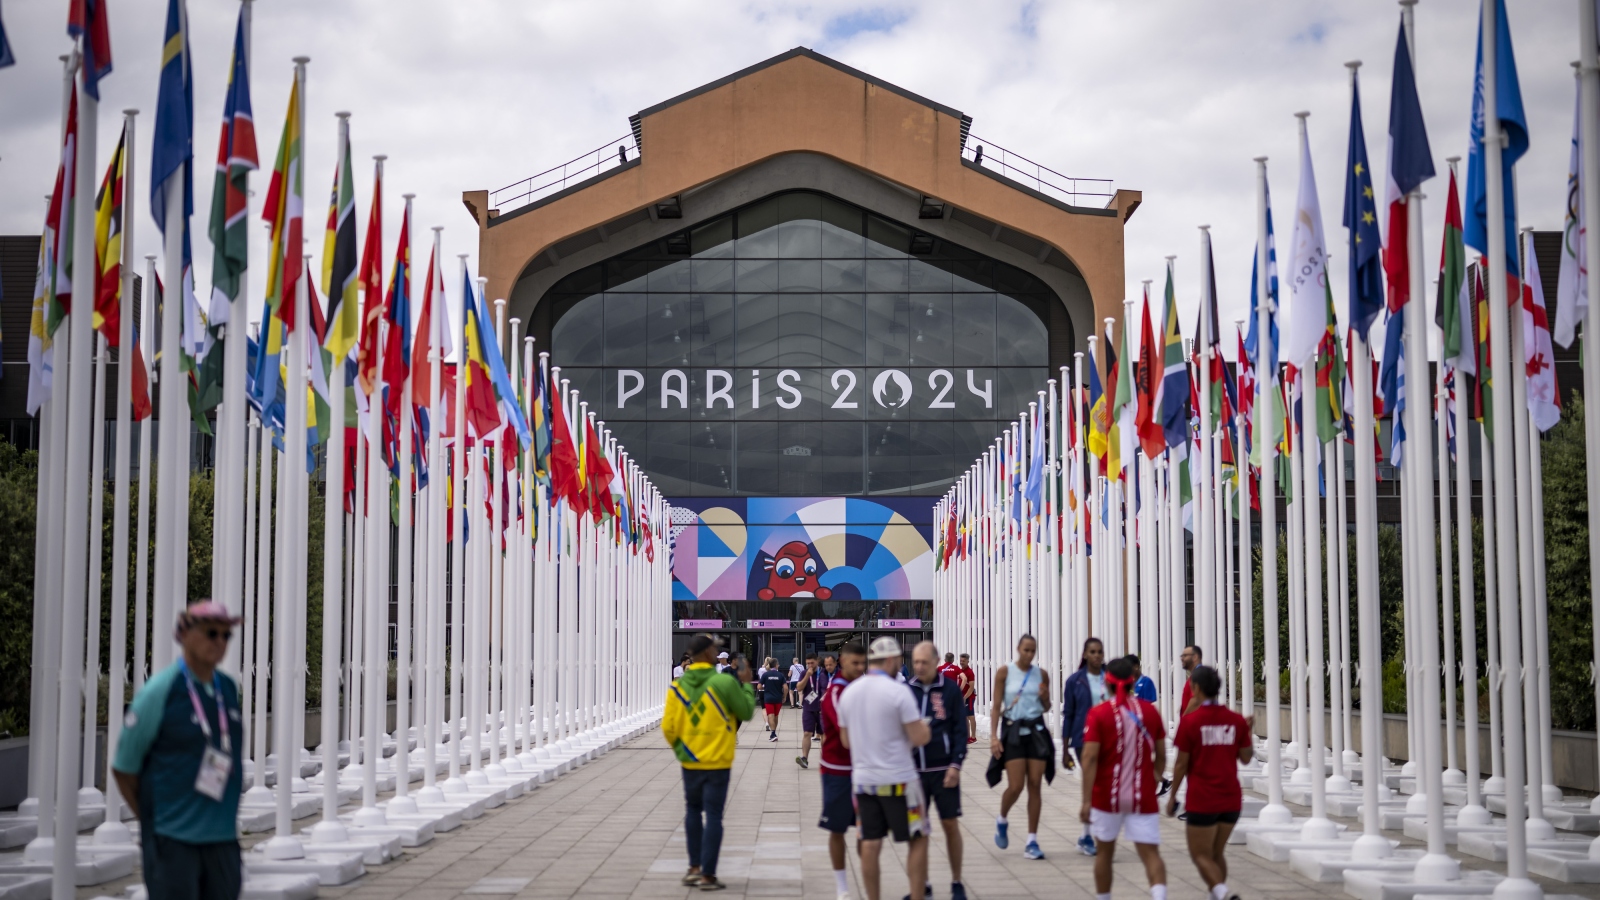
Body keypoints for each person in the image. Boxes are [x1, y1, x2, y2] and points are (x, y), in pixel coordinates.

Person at [112, 600, 246, 900]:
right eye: (212, 633)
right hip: (174, 841)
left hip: (222, 840)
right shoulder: (161, 690)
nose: (221, 642)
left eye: (227, 635)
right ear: (185, 634)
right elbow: (124, 767)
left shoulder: (227, 688)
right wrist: (153, 821)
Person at [837, 638, 931, 900]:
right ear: (890, 660)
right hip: (900, 780)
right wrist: (925, 728)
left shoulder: (850, 693)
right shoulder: (899, 691)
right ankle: (916, 895)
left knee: (869, 841)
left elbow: (846, 741)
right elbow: (919, 737)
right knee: (918, 837)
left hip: (865, 781)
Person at [663, 634, 756, 891]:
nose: (718, 653)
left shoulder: (677, 686)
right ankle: (708, 876)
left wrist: (684, 751)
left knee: (692, 810)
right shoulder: (723, 683)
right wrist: (747, 685)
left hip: (690, 761)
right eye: (715, 649)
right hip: (718, 761)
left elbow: (668, 727)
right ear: (705, 653)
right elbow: (746, 712)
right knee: (713, 815)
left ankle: (693, 868)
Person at [1080, 656, 1168, 900]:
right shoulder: (1150, 712)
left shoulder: (1099, 714)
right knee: (1151, 855)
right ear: (1132, 681)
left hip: (1107, 794)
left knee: (1105, 854)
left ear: (1106, 683)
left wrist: (1085, 800)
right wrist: (1154, 778)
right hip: (1143, 795)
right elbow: (1160, 755)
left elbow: (1089, 759)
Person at [1166, 666, 1251, 900]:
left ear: (1196, 688)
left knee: (1200, 855)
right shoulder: (1236, 720)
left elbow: (1181, 764)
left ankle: (1222, 893)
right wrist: (1248, 731)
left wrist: (1172, 796)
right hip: (1231, 799)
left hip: (1203, 799)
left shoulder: (1191, 722)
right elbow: (1245, 757)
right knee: (1216, 853)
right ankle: (1217, 895)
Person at [908, 641, 969, 900]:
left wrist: (956, 764)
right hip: (914, 776)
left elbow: (959, 730)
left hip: (944, 771)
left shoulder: (950, 690)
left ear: (936, 663)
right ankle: (922, 884)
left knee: (949, 824)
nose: (919, 667)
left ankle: (956, 881)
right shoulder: (906, 690)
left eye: (924, 662)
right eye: (916, 662)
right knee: (916, 830)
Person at [989, 633, 1053, 860]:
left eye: (1032, 650)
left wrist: (1045, 698)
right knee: (1016, 786)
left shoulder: (1041, 675)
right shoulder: (1005, 672)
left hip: (1036, 731)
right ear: (1018, 649)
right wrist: (994, 737)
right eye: (1025, 650)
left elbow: (1046, 707)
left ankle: (1032, 840)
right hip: (1013, 732)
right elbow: (996, 706)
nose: (1029, 654)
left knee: (1035, 784)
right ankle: (1002, 819)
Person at [819, 643, 867, 900]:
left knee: (866, 829)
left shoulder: (864, 687)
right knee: (837, 829)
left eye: (863, 663)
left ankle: (866, 875)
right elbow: (845, 725)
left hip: (865, 769)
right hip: (837, 769)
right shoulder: (836, 690)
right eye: (854, 663)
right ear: (842, 661)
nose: (860, 668)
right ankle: (842, 887)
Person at [1061, 637, 1107, 856]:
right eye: (1093, 652)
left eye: (1100, 652)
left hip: (1109, 739)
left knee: (1103, 784)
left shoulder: (1111, 678)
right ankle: (1087, 834)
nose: (1097, 655)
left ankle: (1091, 832)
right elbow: (1068, 715)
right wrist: (1064, 748)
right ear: (1085, 654)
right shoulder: (1074, 681)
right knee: (1093, 783)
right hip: (1084, 739)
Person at [796, 654, 826, 768]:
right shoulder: (804, 673)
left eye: (812, 663)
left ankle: (825, 760)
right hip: (809, 707)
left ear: (817, 662)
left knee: (823, 734)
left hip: (823, 709)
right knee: (807, 733)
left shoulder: (823, 672)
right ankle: (804, 758)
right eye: (807, 663)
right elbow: (799, 688)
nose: (810, 665)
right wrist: (807, 676)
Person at [761, 658, 787, 741]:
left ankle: (773, 733)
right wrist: (784, 696)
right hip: (778, 698)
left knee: (770, 715)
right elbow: (785, 687)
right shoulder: (780, 675)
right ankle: (774, 732)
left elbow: (758, 686)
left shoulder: (765, 674)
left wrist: (766, 687)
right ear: (776, 665)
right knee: (775, 716)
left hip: (768, 698)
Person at [958, 653, 978, 743]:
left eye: (963, 661)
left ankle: (973, 737)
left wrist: (965, 697)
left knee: (971, 716)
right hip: (963, 697)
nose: (962, 662)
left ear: (968, 661)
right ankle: (967, 736)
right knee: (965, 716)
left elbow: (971, 687)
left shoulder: (970, 672)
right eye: (961, 661)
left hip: (969, 697)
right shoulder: (961, 671)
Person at [1179, 645, 1202, 718]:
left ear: (1195, 657)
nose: (1182, 659)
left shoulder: (1198, 675)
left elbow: (1195, 700)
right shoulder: (1197, 674)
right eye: (1182, 656)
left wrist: (1184, 718)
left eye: (1185, 656)